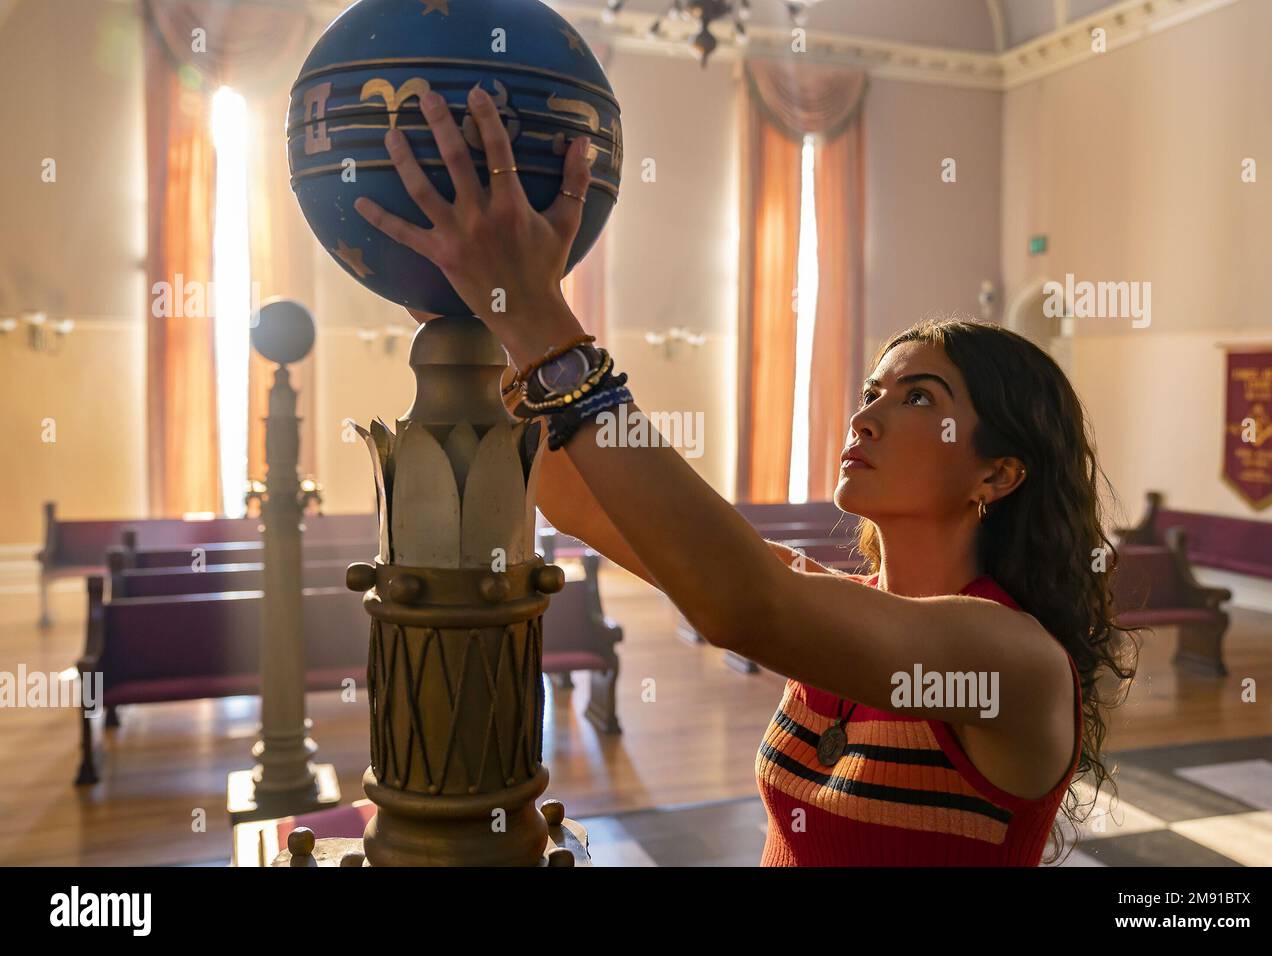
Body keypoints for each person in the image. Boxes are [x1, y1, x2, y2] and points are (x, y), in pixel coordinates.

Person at [353, 85, 1138, 866]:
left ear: (997, 474)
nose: (864, 418)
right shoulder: (826, 608)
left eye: (918, 399)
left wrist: (538, 315)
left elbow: (741, 607)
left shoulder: (1010, 660)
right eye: (871, 394)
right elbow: (570, 495)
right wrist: (480, 306)